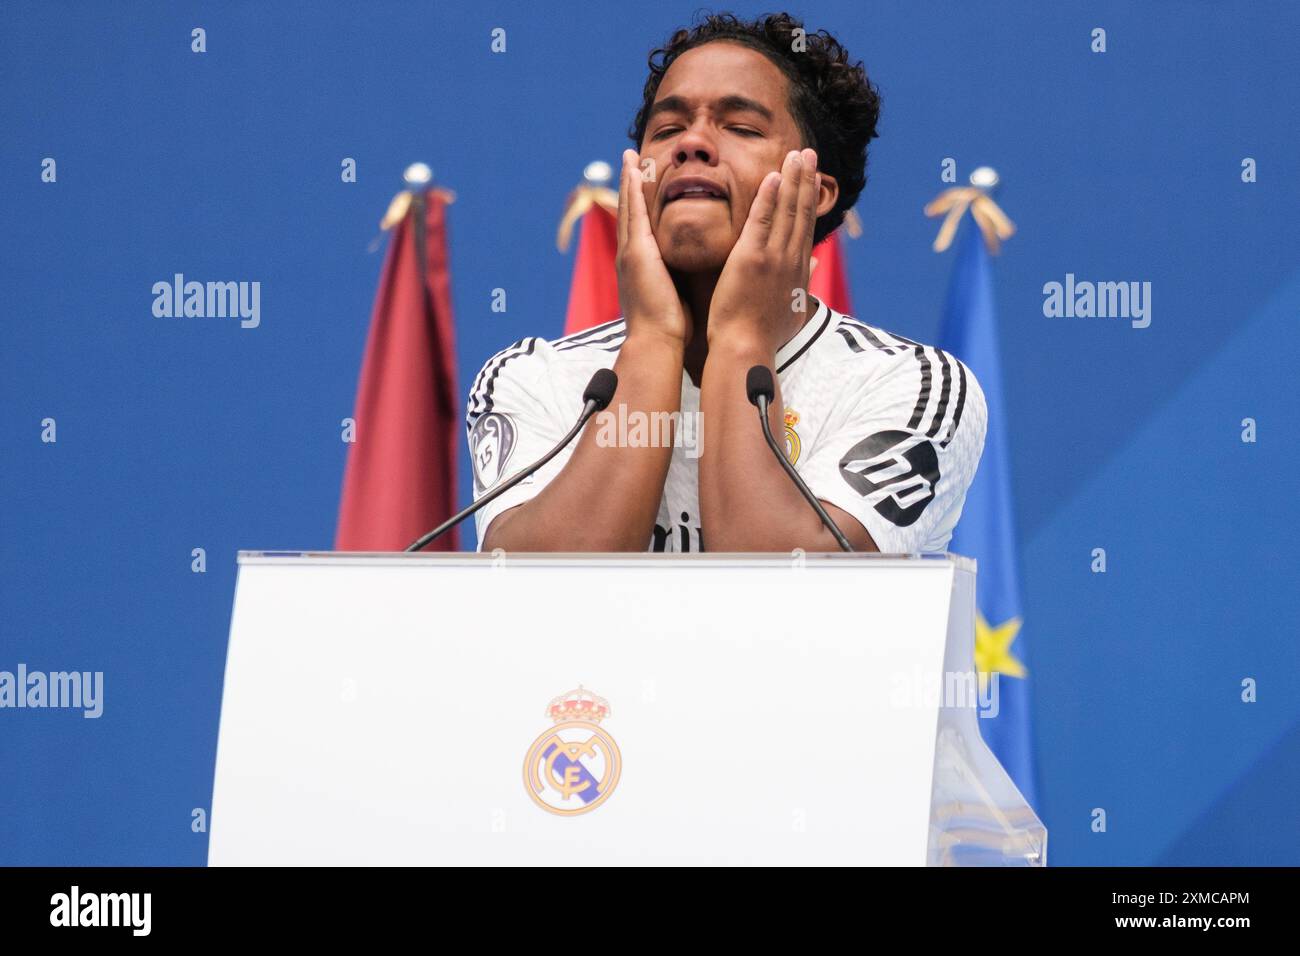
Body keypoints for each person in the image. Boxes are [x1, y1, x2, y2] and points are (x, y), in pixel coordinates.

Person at [466, 12, 986, 553]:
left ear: (815, 192)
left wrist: (740, 338)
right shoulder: (532, 376)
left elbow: (789, 592)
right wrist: (652, 340)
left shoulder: (908, 384)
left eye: (740, 127)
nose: (692, 144)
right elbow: (535, 602)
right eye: (667, 130)